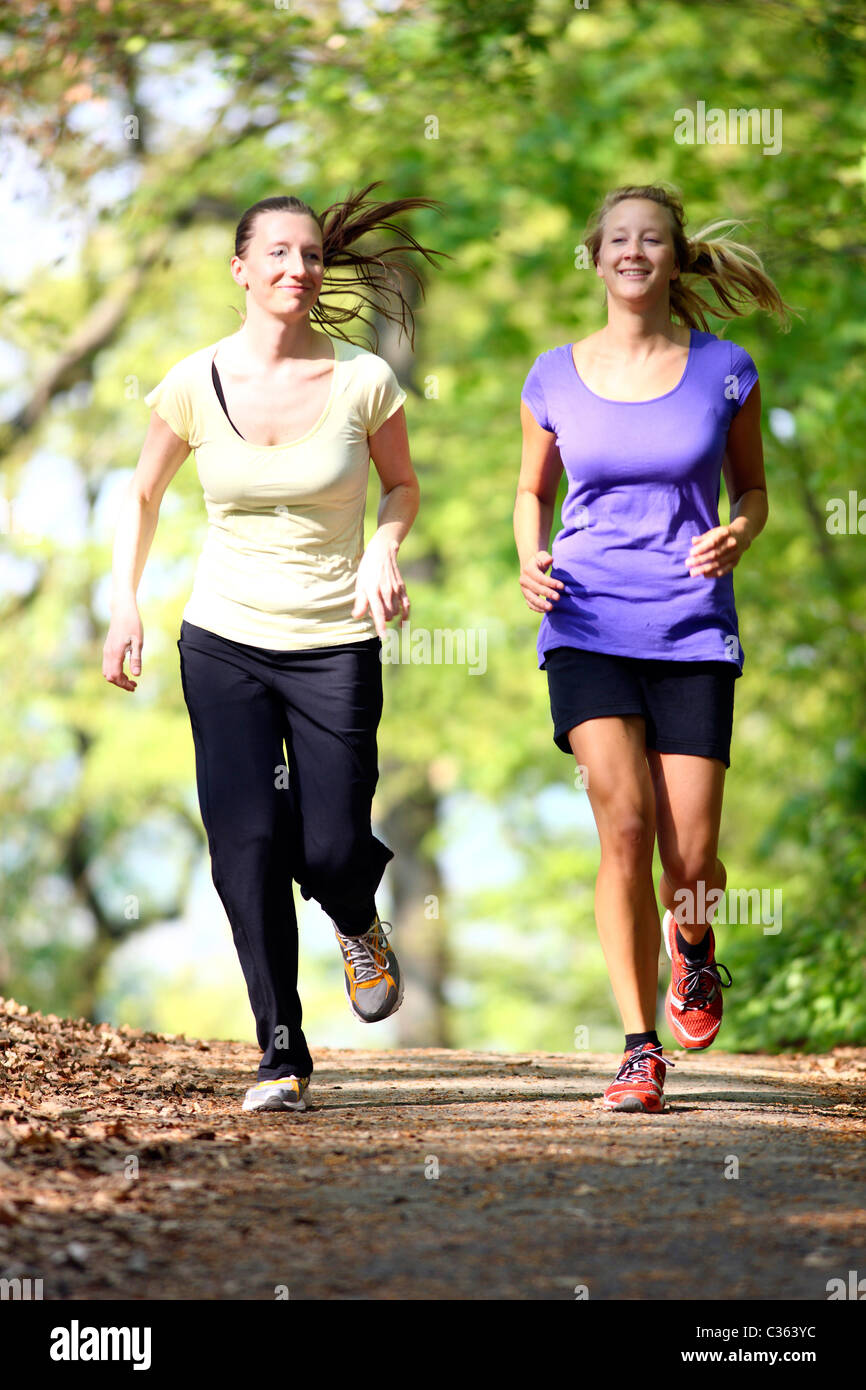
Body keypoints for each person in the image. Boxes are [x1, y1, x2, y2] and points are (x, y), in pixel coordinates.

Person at [103, 185, 443, 1113]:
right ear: (242, 269)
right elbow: (141, 493)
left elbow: (402, 486)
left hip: (335, 641)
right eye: (280, 254)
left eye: (312, 256)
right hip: (224, 639)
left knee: (332, 845)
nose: (299, 269)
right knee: (244, 842)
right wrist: (125, 602)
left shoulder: (365, 379)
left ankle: (355, 918)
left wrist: (383, 544)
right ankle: (281, 1052)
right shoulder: (193, 381)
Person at [515, 183, 793, 1113]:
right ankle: (639, 1049)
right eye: (619, 238)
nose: (634, 252)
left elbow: (752, 490)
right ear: (594, 257)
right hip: (587, 619)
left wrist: (739, 534)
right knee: (623, 826)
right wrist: (529, 557)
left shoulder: (726, 368)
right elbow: (531, 493)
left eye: (653, 239)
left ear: (674, 259)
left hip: (691, 626)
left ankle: (696, 946)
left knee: (692, 859)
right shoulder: (553, 374)